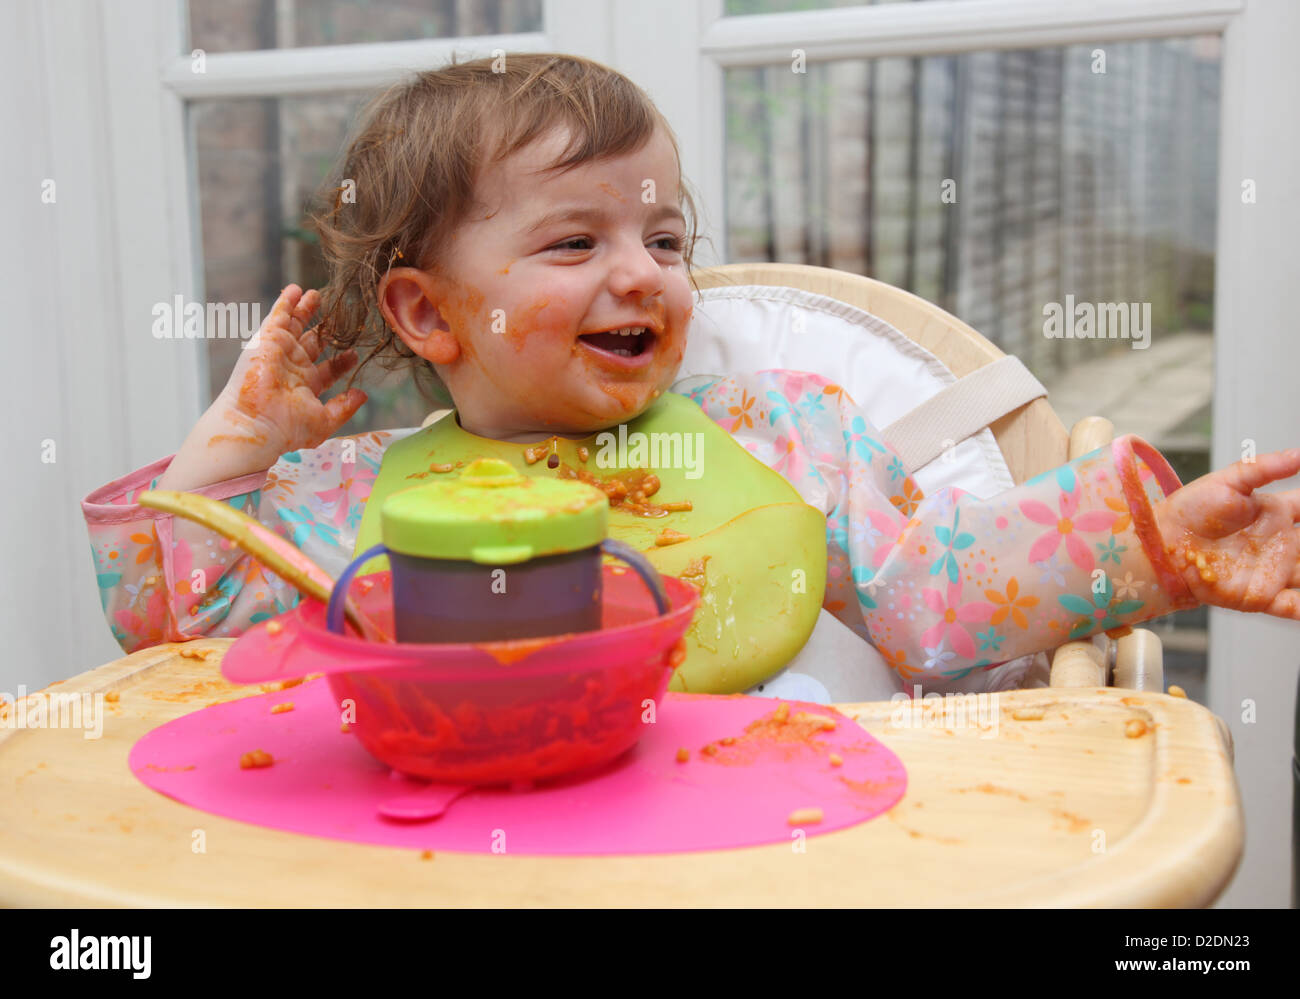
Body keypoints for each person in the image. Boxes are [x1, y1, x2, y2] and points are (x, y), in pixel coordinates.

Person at [83, 54, 1300, 703]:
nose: (647, 276)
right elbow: (169, 624)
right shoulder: (357, 496)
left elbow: (940, 599)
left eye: (663, 241)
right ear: (425, 311)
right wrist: (241, 437)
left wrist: (1155, 542)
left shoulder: (778, 436)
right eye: (575, 242)